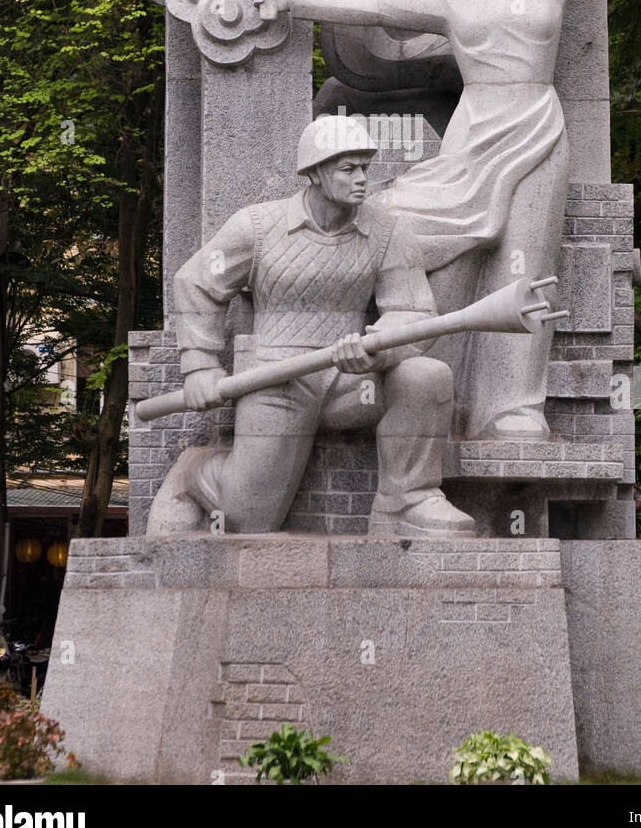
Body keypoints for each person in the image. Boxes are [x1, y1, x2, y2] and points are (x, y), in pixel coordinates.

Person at [251, 0, 641, 438]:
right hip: (474, 137)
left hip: (538, 130)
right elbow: (369, 7)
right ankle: (428, 397)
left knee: (528, 263)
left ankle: (514, 408)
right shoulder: (451, 4)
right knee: (433, 243)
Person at [146, 115, 475, 538]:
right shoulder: (259, 227)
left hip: (352, 381)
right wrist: (200, 366)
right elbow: (195, 282)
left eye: (364, 168)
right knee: (247, 518)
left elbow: (415, 313)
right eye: (348, 169)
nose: (361, 179)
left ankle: (407, 502)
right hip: (275, 378)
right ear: (316, 174)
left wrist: (380, 345)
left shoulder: (389, 233)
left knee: (426, 377)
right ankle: (194, 472)